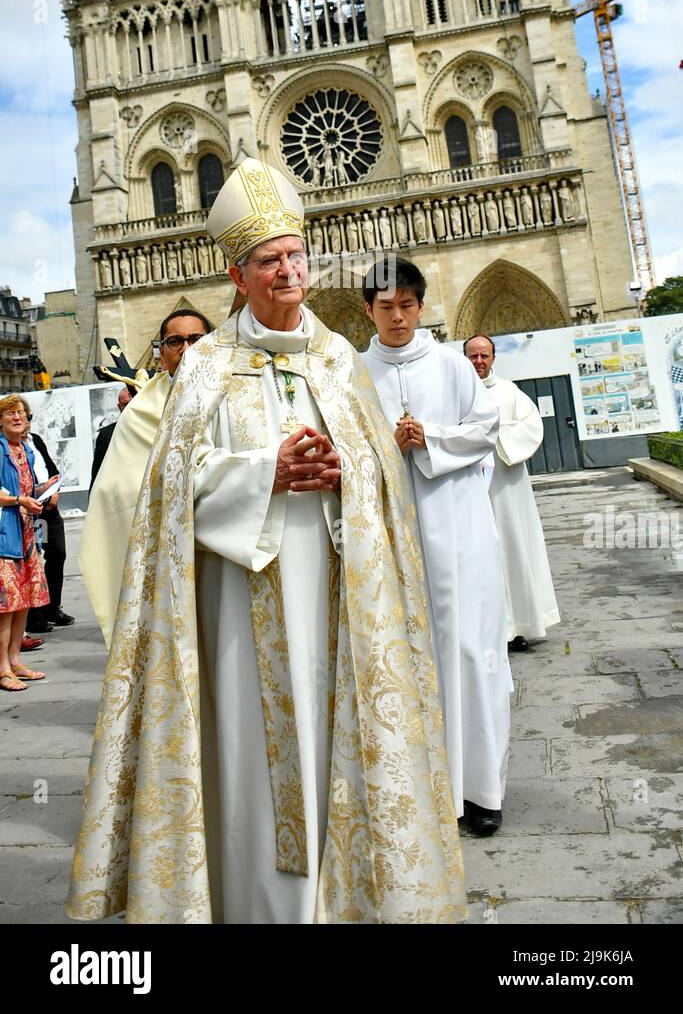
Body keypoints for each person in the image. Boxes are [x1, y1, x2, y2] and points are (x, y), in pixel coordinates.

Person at [67, 158, 464, 926]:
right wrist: (263, 474)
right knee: (246, 760)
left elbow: (383, 479)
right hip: (236, 615)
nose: (288, 271)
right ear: (237, 274)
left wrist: (344, 469)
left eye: (294, 256)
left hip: (337, 605)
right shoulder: (205, 368)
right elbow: (169, 493)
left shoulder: (339, 362)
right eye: (268, 261)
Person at [362, 259, 512, 839]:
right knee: (405, 659)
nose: (396, 317)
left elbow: (485, 427)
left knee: (470, 655)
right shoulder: (353, 373)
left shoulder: (452, 365)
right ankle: (425, 790)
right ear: (369, 311)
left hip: (458, 530)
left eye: (406, 305)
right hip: (390, 535)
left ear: (420, 306)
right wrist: (385, 441)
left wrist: (431, 439)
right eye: (384, 307)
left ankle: (482, 789)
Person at [80, 309, 214, 649]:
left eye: (196, 339)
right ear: (161, 352)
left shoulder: (242, 392)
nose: (186, 348)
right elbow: (116, 490)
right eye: (175, 341)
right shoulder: (140, 413)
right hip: (169, 549)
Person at [464, 334, 561, 651]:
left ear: (493, 358)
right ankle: (486, 628)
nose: (478, 361)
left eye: (484, 356)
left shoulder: (509, 392)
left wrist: (492, 440)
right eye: (472, 356)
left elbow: (531, 427)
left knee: (513, 549)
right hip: (469, 486)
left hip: (506, 485)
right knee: (476, 556)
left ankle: (518, 625)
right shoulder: (456, 394)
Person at [0, 395, 55, 690]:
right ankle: (2, 668)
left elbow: (27, 487)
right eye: (10, 413)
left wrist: (45, 488)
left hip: (25, 533)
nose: (17, 417)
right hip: (3, 535)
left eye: (20, 412)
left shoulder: (26, 450)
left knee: (22, 603)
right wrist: (20, 499)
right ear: (0, 420)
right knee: (6, 605)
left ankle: (16, 660)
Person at [21, 399, 74, 631]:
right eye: (20, 416)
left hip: (49, 508)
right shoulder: (9, 447)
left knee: (57, 554)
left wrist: (55, 492)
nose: (25, 422)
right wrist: (40, 491)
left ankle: (52, 607)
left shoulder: (37, 441)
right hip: (30, 510)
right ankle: (35, 614)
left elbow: (53, 471)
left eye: (28, 417)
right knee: (33, 560)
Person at [89, 386, 132, 491]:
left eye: (133, 402)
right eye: (126, 404)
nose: (130, 407)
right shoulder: (107, 434)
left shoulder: (153, 428)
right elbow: (98, 471)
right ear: (119, 407)